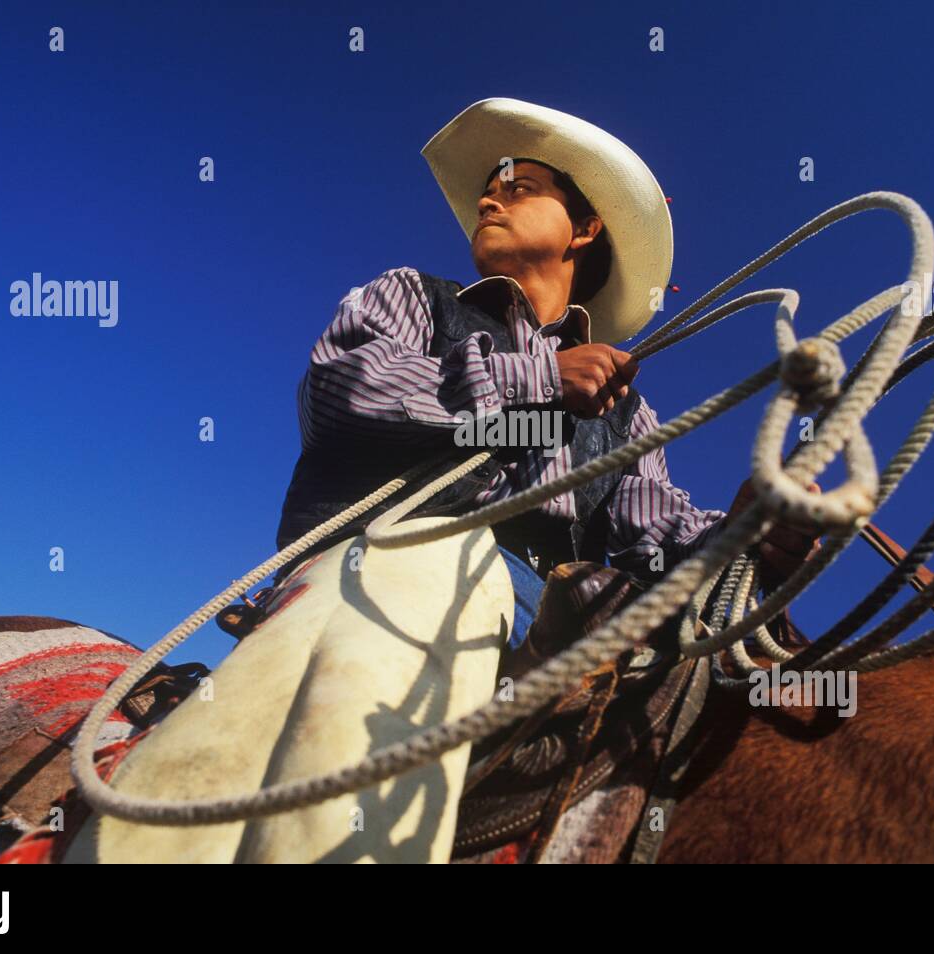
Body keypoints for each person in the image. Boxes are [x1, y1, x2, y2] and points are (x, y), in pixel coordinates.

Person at [273, 98, 821, 651]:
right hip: (385, 564)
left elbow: (647, 524)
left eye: (519, 189)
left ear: (583, 230)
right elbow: (340, 390)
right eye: (491, 190)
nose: (488, 199)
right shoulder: (414, 295)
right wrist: (539, 377)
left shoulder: (626, 412)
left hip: (547, 614)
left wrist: (742, 539)